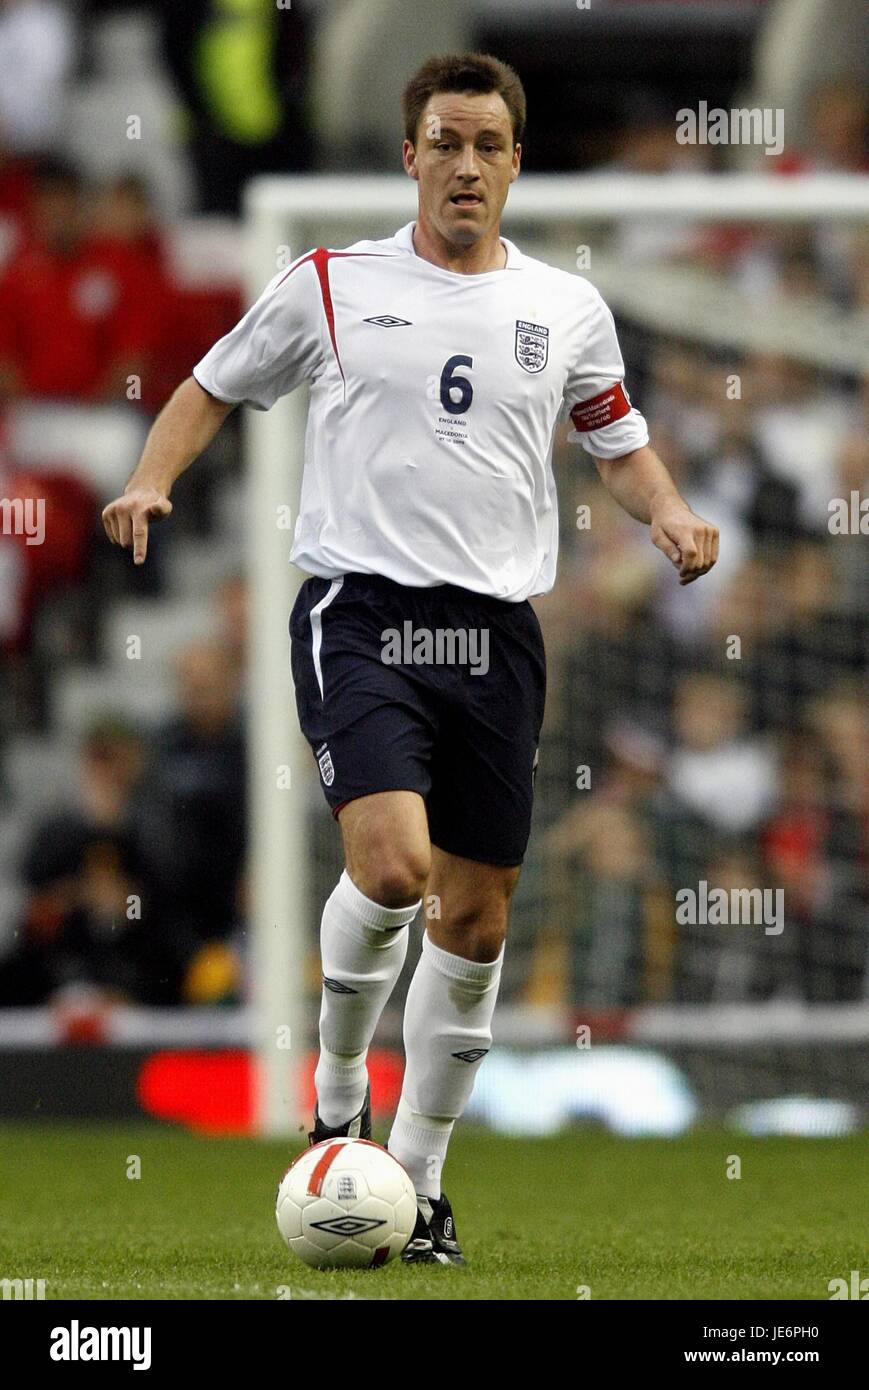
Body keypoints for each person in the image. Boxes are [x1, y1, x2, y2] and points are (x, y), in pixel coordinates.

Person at [101, 52, 719, 1265]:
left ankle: (420, 1182)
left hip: (496, 634)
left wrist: (668, 510)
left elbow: (616, 440)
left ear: (515, 164)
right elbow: (210, 384)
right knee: (392, 867)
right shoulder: (331, 282)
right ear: (410, 157)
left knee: (474, 920)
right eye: (445, 142)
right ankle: (337, 1097)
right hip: (361, 613)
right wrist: (148, 478)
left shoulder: (563, 307)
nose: (465, 165)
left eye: (487, 145)